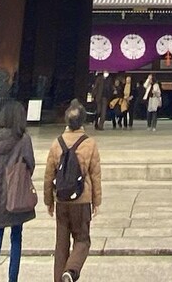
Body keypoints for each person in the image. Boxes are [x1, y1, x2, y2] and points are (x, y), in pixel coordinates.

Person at [43, 99, 102, 282]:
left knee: (61, 244)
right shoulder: (89, 144)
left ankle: (58, 279)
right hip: (81, 200)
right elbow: (95, 175)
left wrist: (49, 201)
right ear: (83, 121)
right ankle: (71, 270)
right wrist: (97, 201)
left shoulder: (57, 143)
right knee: (82, 240)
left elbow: (48, 176)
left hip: (61, 199)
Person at [0, 99, 36, 282]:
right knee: (16, 238)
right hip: (15, 195)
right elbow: (30, 164)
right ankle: (13, 279)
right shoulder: (23, 139)